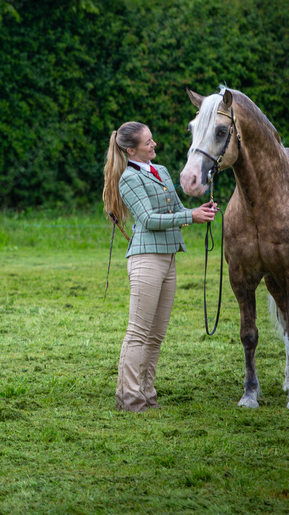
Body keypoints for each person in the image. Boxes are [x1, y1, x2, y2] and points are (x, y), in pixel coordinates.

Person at [102, 121, 217, 412]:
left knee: (156, 334)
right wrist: (190, 217)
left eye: (152, 140)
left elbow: (178, 210)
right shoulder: (128, 178)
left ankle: (146, 393)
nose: (154, 145)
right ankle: (128, 397)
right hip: (145, 259)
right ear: (131, 150)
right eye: (147, 142)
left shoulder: (162, 171)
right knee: (139, 332)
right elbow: (149, 220)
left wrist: (200, 211)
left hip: (168, 256)